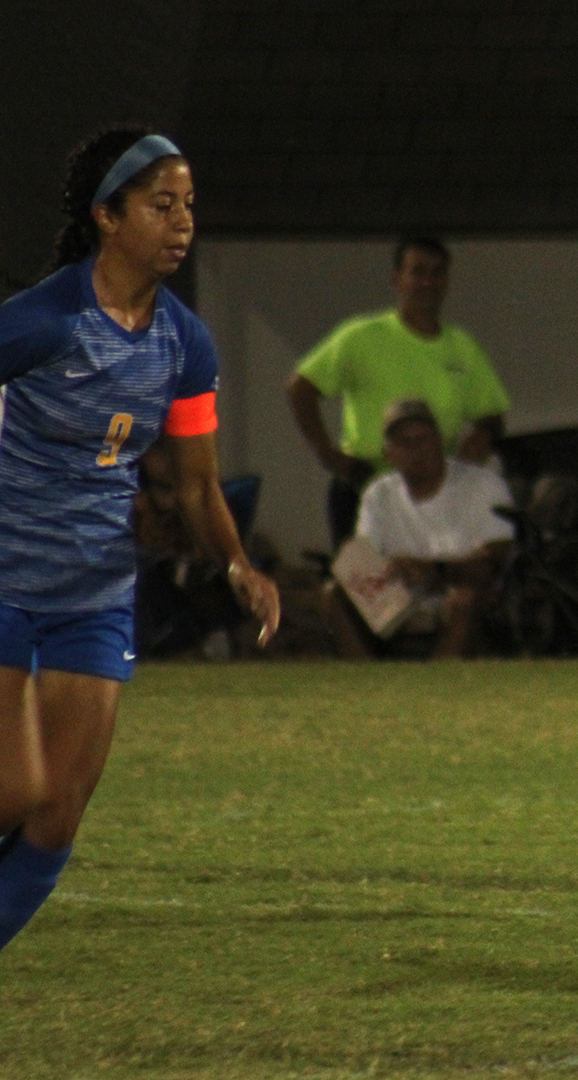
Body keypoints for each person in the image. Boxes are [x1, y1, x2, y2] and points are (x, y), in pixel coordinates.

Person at [0, 128, 280, 952]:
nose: (183, 221)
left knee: (58, 812)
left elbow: (195, 483)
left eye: (189, 205)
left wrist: (237, 563)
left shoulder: (184, 344)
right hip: (6, 579)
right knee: (14, 791)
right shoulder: (47, 320)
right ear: (107, 217)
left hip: (94, 595)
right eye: (162, 205)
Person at [287, 236, 512, 547]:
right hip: (365, 485)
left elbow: (493, 414)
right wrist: (329, 456)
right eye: (417, 272)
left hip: (434, 493)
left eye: (437, 273)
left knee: (433, 583)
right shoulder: (361, 336)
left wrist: (482, 436)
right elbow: (300, 388)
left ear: (447, 281)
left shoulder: (463, 348)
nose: (427, 282)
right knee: (364, 589)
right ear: (397, 278)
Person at [323, 400, 513, 660]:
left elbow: (496, 558)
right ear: (388, 453)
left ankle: (439, 685)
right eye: (403, 443)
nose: (416, 450)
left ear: (439, 441)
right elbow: (367, 558)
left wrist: (435, 571)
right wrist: (372, 568)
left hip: (463, 597)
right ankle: (368, 686)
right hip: (397, 605)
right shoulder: (378, 495)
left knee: (465, 598)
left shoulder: (483, 484)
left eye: (422, 439)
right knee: (334, 594)